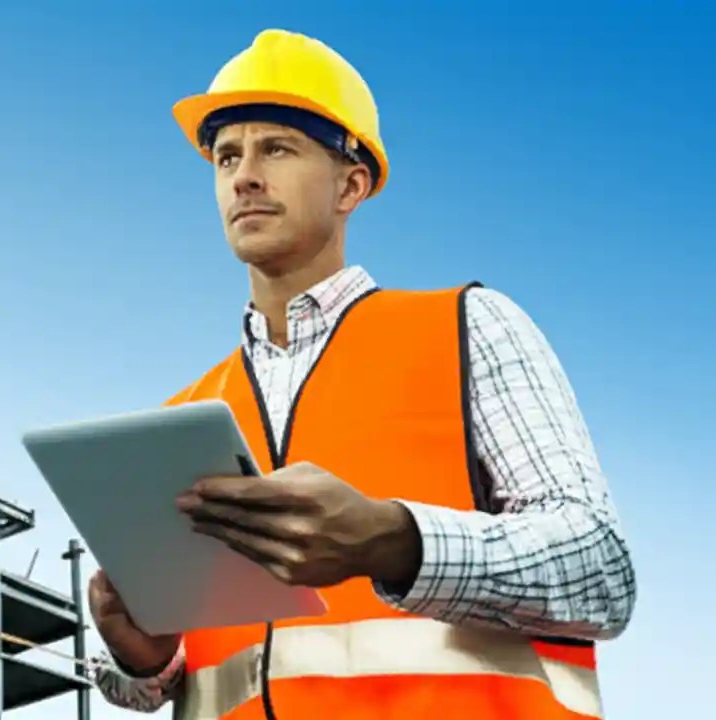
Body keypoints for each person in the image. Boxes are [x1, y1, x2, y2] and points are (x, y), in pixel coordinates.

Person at [89, 28, 636, 720]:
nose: (244, 176)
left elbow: (600, 572)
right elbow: (187, 678)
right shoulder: (181, 416)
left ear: (352, 183)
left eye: (276, 148)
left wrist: (394, 540)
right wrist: (142, 657)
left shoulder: (468, 329)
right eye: (227, 156)